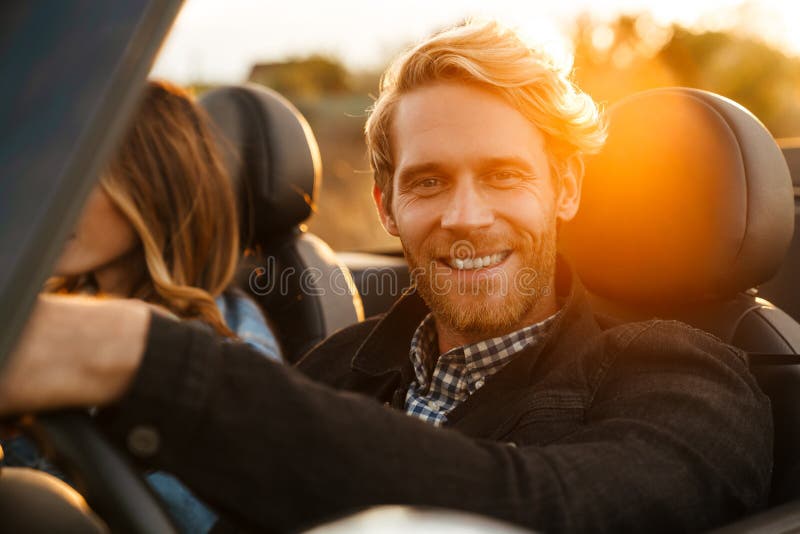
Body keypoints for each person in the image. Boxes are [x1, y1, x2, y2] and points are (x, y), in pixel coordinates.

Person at [1, 20, 771, 533]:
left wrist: (141, 356)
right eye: (429, 182)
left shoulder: (683, 371)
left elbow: (544, 509)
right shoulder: (337, 365)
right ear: (387, 204)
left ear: (564, 189)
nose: (466, 216)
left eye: (504, 176)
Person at [1, 80, 281, 533]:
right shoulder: (56, 307)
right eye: (51, 176)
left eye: (85, 177)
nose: (57, 200)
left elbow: (177, 520)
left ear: (154, 188)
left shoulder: (224, 346)